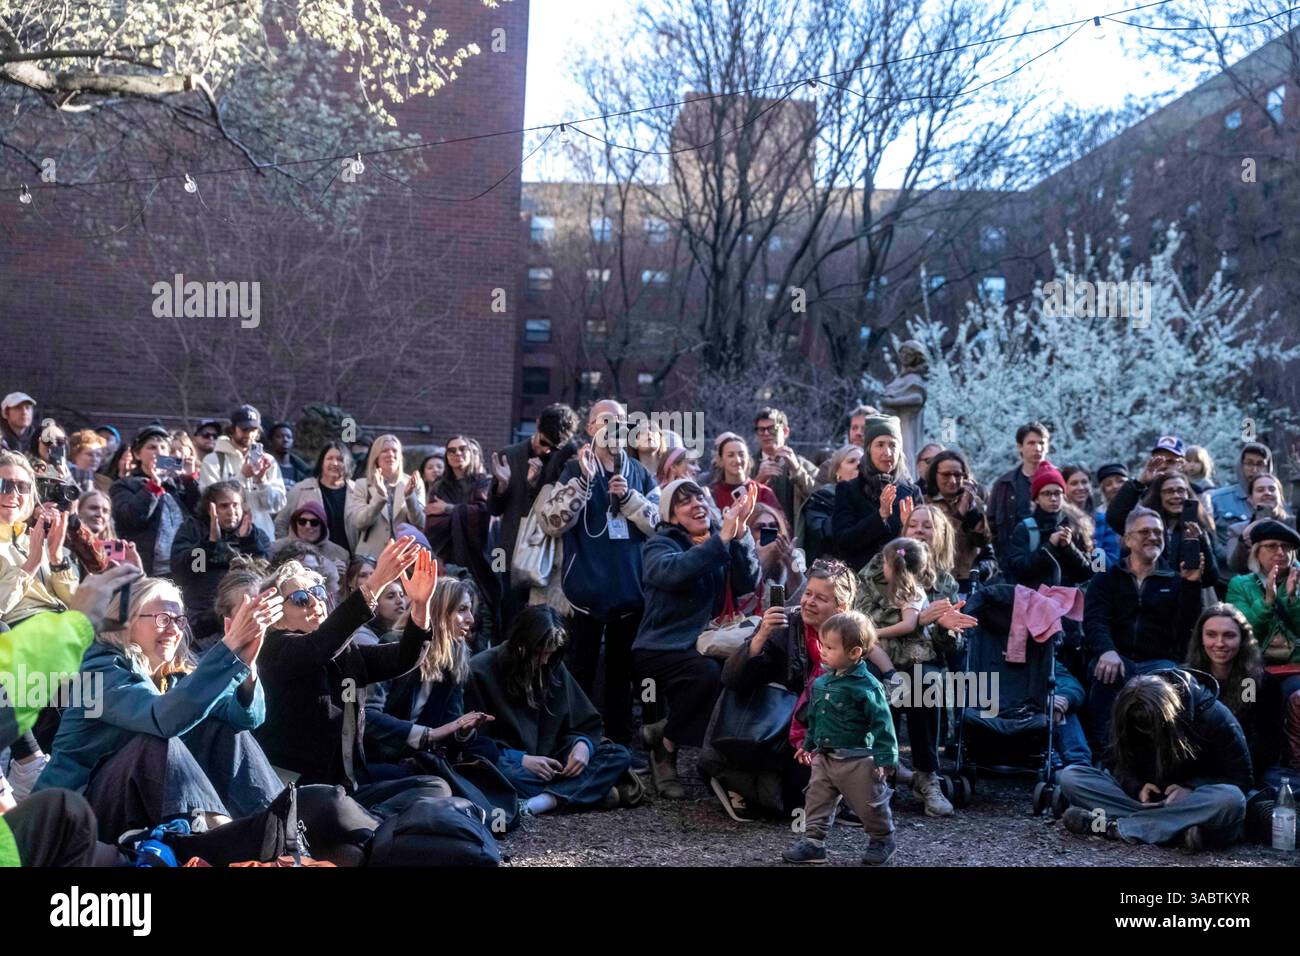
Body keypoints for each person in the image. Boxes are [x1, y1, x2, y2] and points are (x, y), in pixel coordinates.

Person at [36, 575, 287, 844]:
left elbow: (245, 717)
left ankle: (279, 830)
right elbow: (162, 718)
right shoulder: (98, 671)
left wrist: (246, 664)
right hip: (75, 813)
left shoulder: (176, 676)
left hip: (129, 805)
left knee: (222, 730)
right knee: (158, 742)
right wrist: (228, 650)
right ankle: (221, 840)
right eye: (163, 619)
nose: (174, 630)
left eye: (178, 621)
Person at [253, 539, 455, 805]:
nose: (316, 603)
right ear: (277, 617)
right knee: (340, 814)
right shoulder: (272, 650)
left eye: (319, 592)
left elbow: (403, 658)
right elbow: (319, 647)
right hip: (297, 793)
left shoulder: (343, 651)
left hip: (347, 785)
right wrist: (376, 583)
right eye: (301, 599)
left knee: (435, 786)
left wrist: (420, 606)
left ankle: (373, 829)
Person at [537, 401, 657, 747]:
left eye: (620, 421)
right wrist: (583, 484)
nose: (614, 426)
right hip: (585, 592)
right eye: (605, 420)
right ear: (590, 429)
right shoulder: (575, 468)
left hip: (629, 592)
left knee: (622, 675)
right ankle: (573, 740)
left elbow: (658, 525)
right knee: (580, 671)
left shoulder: (639, 472)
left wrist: (631, 498)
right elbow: (552, 522)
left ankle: (618, 745)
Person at [633, 479, 760, 798]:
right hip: (659, 646)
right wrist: (722, 539)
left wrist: (741, 533)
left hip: (705, 643)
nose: (697, 504)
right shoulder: (660, 544)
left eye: (700, 497)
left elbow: (748, 583)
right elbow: (674, 572)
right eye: (684, 501)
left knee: (746, 672)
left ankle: (668, 736)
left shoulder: (721, 540)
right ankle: (665, 751)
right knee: (707, 674)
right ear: (671, 516)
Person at [706, 559, 857, 820]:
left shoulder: (851, 635)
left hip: (819, 730)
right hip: (772, 728)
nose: (809, 601)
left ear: (840, 607)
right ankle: (738, 784)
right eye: (808, 593)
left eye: (821, 598)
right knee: (789, 802)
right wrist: (761, 636)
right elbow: (732, 678)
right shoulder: (784, 624)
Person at [466, 605, 637, 815]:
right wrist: (522, 759)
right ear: (522, 644)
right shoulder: (480, 670)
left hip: (553, 759)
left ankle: (544, 802)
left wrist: (582, 746)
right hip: (513, 763)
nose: (544, 660)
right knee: (492, 775)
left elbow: (583, 722)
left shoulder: (551, 665)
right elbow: (476, 744)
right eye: (539, 653)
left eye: (550, 653)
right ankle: (587, 792)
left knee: (618, 754)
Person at [1058, 670, 1250, 852]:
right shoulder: (1126, 710)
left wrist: (1191, 788)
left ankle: (1114, 827)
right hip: (1144, 802)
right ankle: (1173, 829)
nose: (1146, 733)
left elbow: (1242, 780)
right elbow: (1112, 761)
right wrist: (1136, 787)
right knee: (1071, 777)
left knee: (1232, 798)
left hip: (1191, 801)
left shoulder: (1214, 716)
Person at [781, 610, 898, 866]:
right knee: (816, 798)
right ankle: (813, 842)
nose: (823, 650)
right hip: (824, 756)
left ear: (855, 653)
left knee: (870, 804)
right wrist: (808, 744)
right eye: (823, 644)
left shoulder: (867, 687)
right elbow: (817, 717)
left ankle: (882, 838)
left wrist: (885, 758)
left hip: (857, 759)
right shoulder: (823, 683)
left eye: (830, 647)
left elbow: (882, 723)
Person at [1083, 506, 1206, 748]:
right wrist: (1106, 650)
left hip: (1160, 660)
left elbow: (1187, 628)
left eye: (1158, 532)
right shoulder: (1105, 578)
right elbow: (1095, 621)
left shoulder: (1174, 579)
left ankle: (1165, 755)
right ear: (1128, 539)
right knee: (1106, 676)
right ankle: (1101, 754)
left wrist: (1191, 586)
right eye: (1145, 532)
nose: (1153, 537)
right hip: (1116, 658)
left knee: (1170, 684)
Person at [855, 535, 959, 816]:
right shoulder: (869, 576)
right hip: (879, 656)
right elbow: (859, 616)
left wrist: (942, 627)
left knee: (925, 682)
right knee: (870, 679)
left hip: (916, 659)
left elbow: (946, 639)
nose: (921, 531)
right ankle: (879, 773)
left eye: (928, 526)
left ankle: (926, 776)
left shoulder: (943, 583)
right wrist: (917, 620)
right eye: (915, 525)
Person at [488, 403, 579, 629]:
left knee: (546, 625)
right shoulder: (509, 455)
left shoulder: (568, 460)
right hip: (510, 552)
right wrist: (501, 486)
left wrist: (535, 484)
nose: (546, 450)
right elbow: (494, 509)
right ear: (537, 424)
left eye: (554, 447)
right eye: (544, 442)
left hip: (547, 556)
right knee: (510, 619)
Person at [1224, 521, 1300, 769]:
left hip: (1295, 667)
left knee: (1295, 698)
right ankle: (1249, 764)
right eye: (1272, 546)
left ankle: (1292, 767)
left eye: (1287, 547)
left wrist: (1291, 601)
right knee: (1247, 699)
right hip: (1253, 667)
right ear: (1256, 551)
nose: (1281, 552)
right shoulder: (1240, 584)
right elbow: (1241, 631)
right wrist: (1267, 603)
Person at [1184, 604, 1281, 783]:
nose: (1219, 643)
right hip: (1196, 768)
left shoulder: (1250, 682)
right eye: (1211, 635)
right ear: (1200, 638)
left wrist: (1230, 776)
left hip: (1244, 767)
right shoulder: (1188, 680)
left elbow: (1262, 742)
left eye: (1229, 635)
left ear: (1243, 639)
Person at [171, 480, 272, 641]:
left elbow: (264, 574)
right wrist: (210, 543)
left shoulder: (256, 535)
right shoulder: (192, 529)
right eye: (224, 506)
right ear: (211, 508)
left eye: (235, 505)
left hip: (245, 614)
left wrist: (248, 541)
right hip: (200, 619)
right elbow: (186, 573)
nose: (231, 511)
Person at [426, 434, 500, 643]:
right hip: (449, 560)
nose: (457, 454)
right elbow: (434, 524)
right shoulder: (440, 487)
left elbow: (485, 514)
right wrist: (462, 513)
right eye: (452, 450)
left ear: (471, 453)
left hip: (481, 559)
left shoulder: (484, 482)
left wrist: (450, 509)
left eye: (462, 449)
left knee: (481, 612)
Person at [830, 413, 922, 572]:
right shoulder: (849, 490)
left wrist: (908, 531)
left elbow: (921, 548)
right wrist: (880, 517)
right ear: (868, 450)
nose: (887, 452)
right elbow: (843, 542)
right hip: (860, 582)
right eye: (880, 445)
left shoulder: (911, 492)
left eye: (893, 445)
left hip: (901, 579)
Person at [110, 424, 201, 576]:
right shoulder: (124, 485)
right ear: (138, 455)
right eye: (152, 447)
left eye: (164, 448)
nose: (159, 452)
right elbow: (130, 518)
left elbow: (200, 514)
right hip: (148, 570)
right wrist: (153, 487)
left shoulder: (177, 484)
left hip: (183, 569)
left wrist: (189, 480)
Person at [0, 451, 78, 626]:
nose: (13, 494)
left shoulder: (33, 538)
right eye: (3, 485)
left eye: (23, 487)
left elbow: (76, 604)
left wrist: (56, 560)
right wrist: (29, 567)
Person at [1108, 467, 1219, 589]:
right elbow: (1115, 518)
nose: (1176, 495)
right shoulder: (1142, 524)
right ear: (1158, 495)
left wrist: (1200, 540)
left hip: (1183, 598)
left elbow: (1211, 577)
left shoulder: (1200, 527)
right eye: (1169, 491)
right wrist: (1138, 484)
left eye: (1181, 490)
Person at [198, 405, 286, 542]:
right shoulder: (213, 460)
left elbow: (277, 506)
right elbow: (209, 501)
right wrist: (242, 476)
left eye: (253, 430)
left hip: (262, 538)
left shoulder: (267, 461)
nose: (249, 434)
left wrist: (262, 481)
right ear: (232, 429)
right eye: (245, 429)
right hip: (227, 540)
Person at [1003, 463, 1095, 590]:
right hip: (1035, 601)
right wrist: (1049, 547)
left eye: (1057, 493)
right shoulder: (1025, 528)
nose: (1053, 498)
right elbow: (1017, 570)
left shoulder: (1077, 525)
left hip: (1070, 602)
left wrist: (1069, 547)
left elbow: (1088, 572)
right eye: (1046, 493)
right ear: (1036, 498)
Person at [346, 434, 426, 560]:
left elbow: (420, 523)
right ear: (376, 457)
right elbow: (359, 523)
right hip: (370, 558)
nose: (390, 454)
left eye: (394, 450)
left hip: (404, 555)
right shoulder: (362, 484)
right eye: (384, 451)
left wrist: (410, 496)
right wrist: (380, 496)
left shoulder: (414, 482)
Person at [926, 450, 996, 590]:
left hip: (968, 579)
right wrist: (961, 510)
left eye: (958, 475)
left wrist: (972, 507)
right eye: (946, 475)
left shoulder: (974, 499)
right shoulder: (925, 502)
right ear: (935, 475)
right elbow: (941, 538)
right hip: (936, 580)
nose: (952, 481)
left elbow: (984, 540)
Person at [276, 441, 358, 556]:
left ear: (348, 463)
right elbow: (281, 523)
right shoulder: (301, 489)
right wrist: (290, 551)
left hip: (348, 561)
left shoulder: (358, 491)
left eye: (340, 459)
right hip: (308, 561)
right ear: (321, 462)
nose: (335, 463)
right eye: (329, 458)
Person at [987, 421, 1050, 557]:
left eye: (1042, 443)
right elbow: (991, 527)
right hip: (1012, 562)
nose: (1038, 448)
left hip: (1050, 562)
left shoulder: (1060, 481)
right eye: (1031, 443)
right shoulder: (1004, 484)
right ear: (1020, 447)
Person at [750, 407, 817, 532]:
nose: (766, 434)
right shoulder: (747, 465)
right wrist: (757, 482)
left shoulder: (802, 465)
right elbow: (736, 501)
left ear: (785, 431)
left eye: (772, 429)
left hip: (793, 538)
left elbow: (819, 496)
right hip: (755, 538)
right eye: (761, 430)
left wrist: (797, 470)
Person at [800, 444, 863, 564]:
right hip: (833, 569)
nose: (858, 465)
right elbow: (822, 534)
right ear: (837, 473)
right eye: (851, 461)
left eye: (862, 461)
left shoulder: (878, 496)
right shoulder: (820, 499)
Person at [1224, 474, 1295, 573]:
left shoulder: (1295, 524)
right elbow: (1235, 566)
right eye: (1260, 490)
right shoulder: (1238, 530)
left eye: (1272, 489)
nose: (1267, 493)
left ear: (1281, 496)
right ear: (1250, 499)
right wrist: (1243, 541)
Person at [1210, 442, 1273, 551]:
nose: (1254, 470)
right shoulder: (1219, 499)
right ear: (1240, 466)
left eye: (1260, 464)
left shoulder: (1276, 501)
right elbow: (1210, 538)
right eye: (1249, 464)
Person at [273, 501, 349, 580]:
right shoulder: (276, 548)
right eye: (302, 521)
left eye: (314, 522)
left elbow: (345, 588)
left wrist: (339, 576)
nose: (308, 526)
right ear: (295, 524)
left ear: (322, 526)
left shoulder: (340, 554)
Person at [711, 434, 780, 515]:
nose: (737, 460)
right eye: (730, 455)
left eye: (741, 455)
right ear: (721, 461)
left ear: (748, 459)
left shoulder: (763, 492)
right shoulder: (711, 494)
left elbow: (779, 523)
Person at [1093, 463, 1129, 569]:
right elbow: (1096, 552)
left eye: (1120, 481)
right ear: (1103, 490)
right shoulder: (1097, 516)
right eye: (1109, 484)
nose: (1115, 486)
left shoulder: (1143, 512)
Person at [351, 580, 407, 647]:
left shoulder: (408, 631)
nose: (400, 601)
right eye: (391, 597)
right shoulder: (362, 634)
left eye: (402, 595)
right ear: (375, 604)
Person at [266, 422, 311, 489]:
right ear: (271, 441)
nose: (285, 440)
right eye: (279, 436)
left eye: (289, 437)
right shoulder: (265, 467)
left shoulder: (302, 471)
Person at [67, 430, 110, 494]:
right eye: (90, 454)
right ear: (75, 454)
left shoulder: (106, 482)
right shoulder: (64, 477)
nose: (95, 459)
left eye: (98, 455)